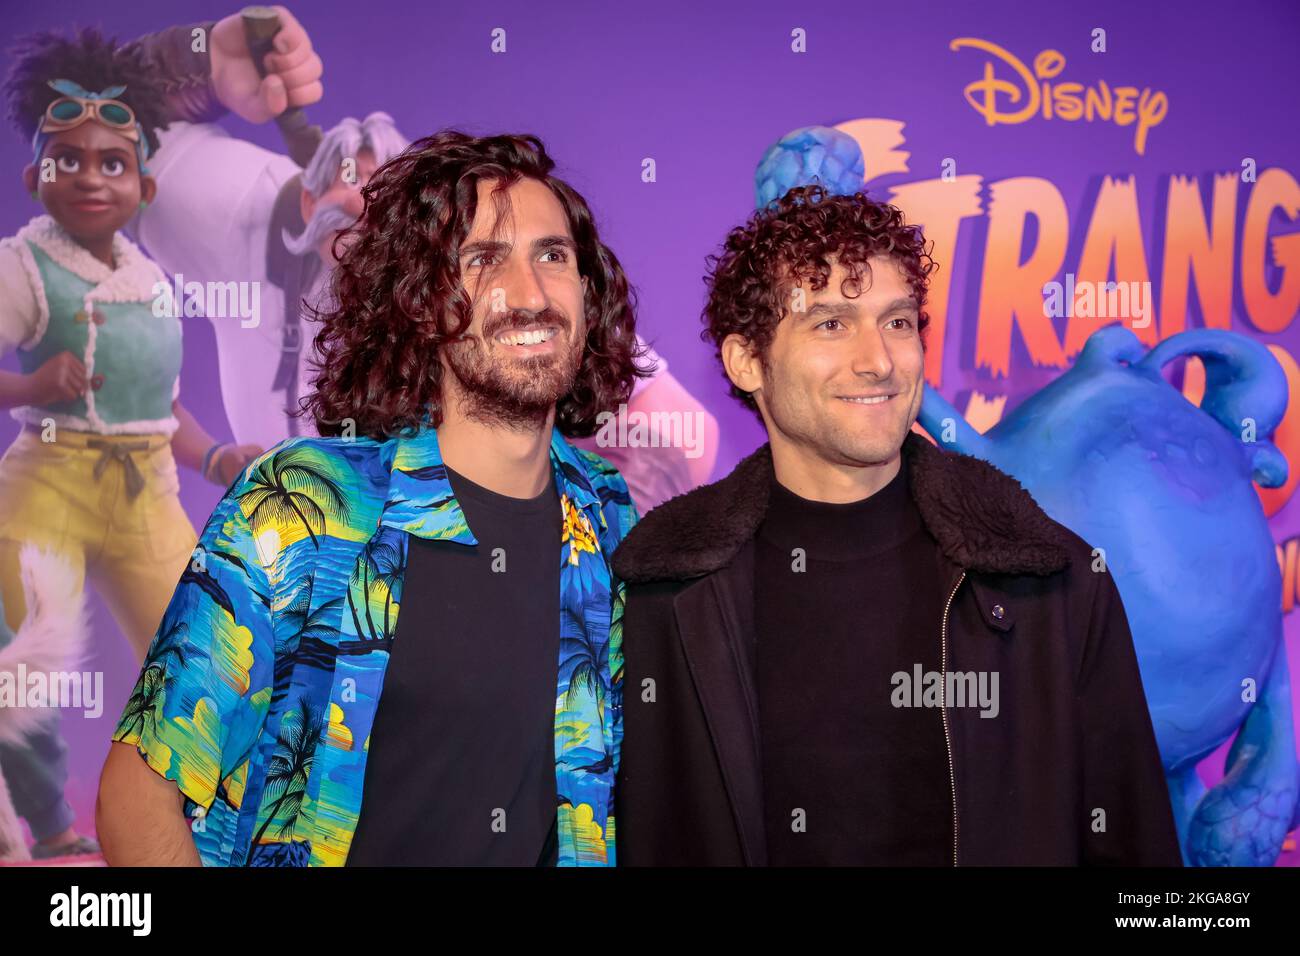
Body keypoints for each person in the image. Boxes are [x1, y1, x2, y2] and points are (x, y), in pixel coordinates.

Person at [96, 130, 640, 867]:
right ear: (418, 301)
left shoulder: (609, 519)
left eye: (553, 255)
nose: (532, 294)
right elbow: (139, 794)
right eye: (482, 259)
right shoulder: (305, 506)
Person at [611, 185, 1182, 866]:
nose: (878, 360)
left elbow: (1137, 855)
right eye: (830, 323)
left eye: (898, 322)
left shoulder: (1050, 581)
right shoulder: (665, 593)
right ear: (747, 362)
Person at [124, 6, 718, 507]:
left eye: (382, 189)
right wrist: (202, 65)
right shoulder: (249, 218)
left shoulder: (504, 291)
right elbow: (92, 122)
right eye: (344, 179)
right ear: (306, 196)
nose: (360, 203)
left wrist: (581, 543)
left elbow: (683, 438)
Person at [0, 27, 257, 861]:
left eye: (111, 162)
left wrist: (218, 459)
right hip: (48, 482)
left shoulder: (151, 280)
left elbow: (163, 408)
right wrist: (37, 387)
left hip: (147, 490)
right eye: (67, 159)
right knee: (21, 666)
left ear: (144, 182)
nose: (89, 177)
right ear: (36, 175)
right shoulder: (23, 267)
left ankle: (224, 828)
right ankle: (51, 834)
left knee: (204, 654)